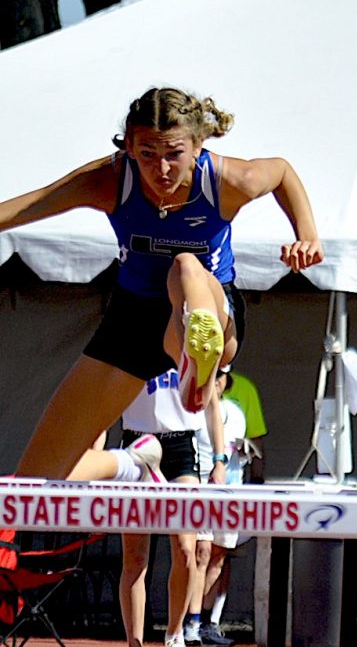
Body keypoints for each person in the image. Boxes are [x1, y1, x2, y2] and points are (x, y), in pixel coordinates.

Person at [0, 86, 322, 482]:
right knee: (33, 477)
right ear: (130, 148)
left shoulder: (228, 180)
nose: (162, 170)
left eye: (174, 154)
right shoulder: (110, 179)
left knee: (185, 266)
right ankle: (133, 462)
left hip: (209, 303)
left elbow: (282, 172)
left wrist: (307, 234)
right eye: (148, 154)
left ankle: (195, 356)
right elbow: (30, 204)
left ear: (198, 145)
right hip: (134, 316)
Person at [116, 367, 226, 647]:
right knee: (135, 555)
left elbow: (213, 404)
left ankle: (175, 634)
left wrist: (220, 459)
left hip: (180, 449)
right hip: (137, 445)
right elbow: (103, 404)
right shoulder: (131, 344)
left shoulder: (189, 341)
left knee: (185, 549)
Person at [186, 366, 248, 647]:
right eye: (214, 376)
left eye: (222, 377)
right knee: (201, 551)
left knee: (219, 555)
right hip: (197, 485)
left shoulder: (233, 413)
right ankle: (191, 622)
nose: (217, 382)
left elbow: (234, 446)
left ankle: (209, 621)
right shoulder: (189, 409)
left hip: (229, 487)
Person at [223, 370, 268, 483]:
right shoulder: (187, 383)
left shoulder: (244, 388)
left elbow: (255, 439)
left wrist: (256, 480)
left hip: (231, 474)